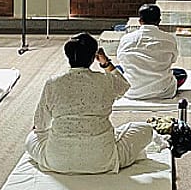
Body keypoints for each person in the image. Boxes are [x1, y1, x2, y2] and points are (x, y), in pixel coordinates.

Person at [26, 33, 154, 175]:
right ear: (94, 57)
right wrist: (105, 63)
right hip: (103, 160)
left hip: (57, 161)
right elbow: (124, 85)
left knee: (32, 136)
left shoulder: (53, 83)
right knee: (146, 129)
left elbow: (40, 124)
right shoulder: (106, 80)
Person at [112, 4, 187, 101]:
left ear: (140, 21)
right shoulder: (169, 39)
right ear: (159, 21)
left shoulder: (126, 39)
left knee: (117, 69)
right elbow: (173, 59)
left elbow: (121, 59)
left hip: (131, 91)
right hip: (163, 91)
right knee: (181, 74)